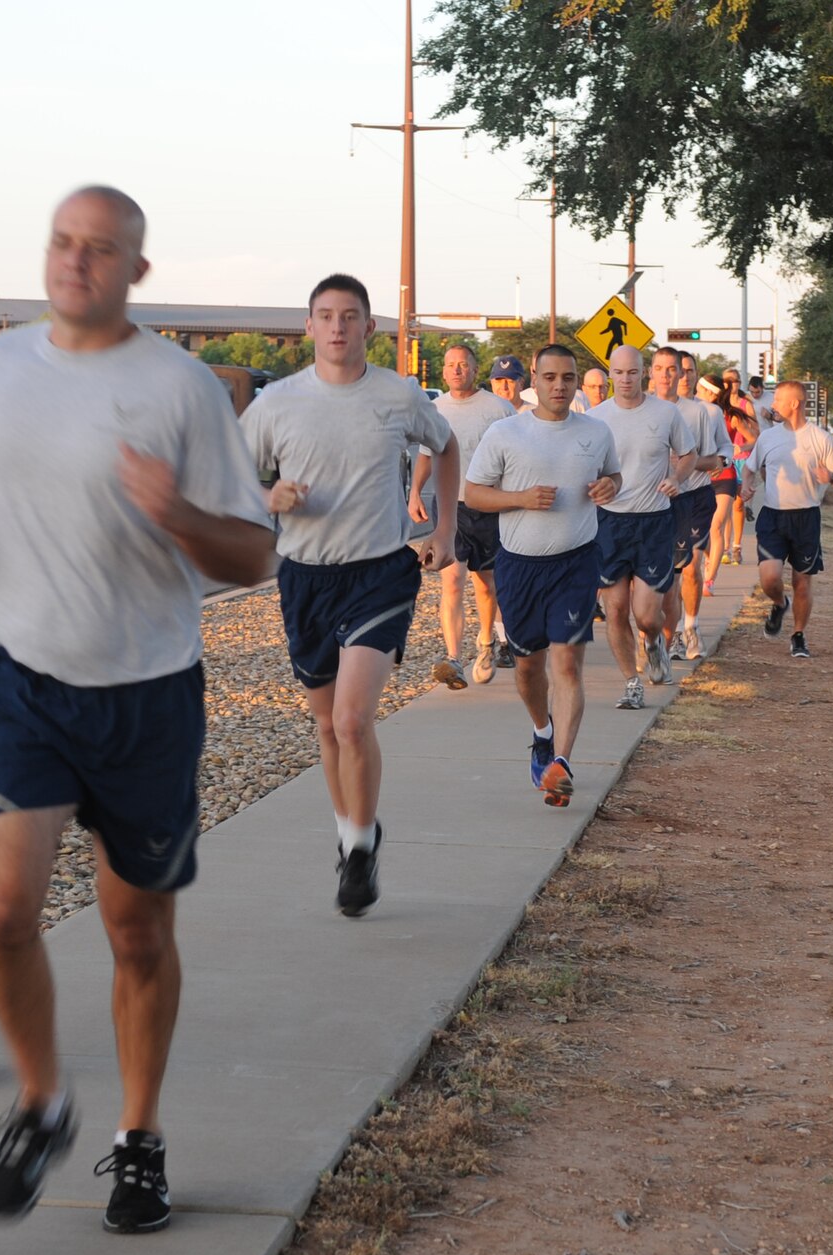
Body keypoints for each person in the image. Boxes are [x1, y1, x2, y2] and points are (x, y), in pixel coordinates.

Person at [0, 185, 275, 1233]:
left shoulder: (182, 388)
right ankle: (41, 1100)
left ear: (136, 272)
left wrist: (179, 515)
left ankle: (140, 1137)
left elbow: (252, 553)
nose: (75, 263)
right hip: (14, 678)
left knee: (135, 933)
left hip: (146, 692)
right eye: (63, 244)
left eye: (100, 250)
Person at [244, 273, 456, 918]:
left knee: (350, 719)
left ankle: (361, 852)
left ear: (369, 327)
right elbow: (223, 480)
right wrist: (266, 497)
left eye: (350, 316)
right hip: (305, 576)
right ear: (309, 327)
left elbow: (444, 448)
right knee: (325, 725)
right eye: (325, 315)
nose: (337, 327)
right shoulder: (277, 403)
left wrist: (444, 527)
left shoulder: (399, 395)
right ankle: (350, 832)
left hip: (379, 574)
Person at [461, 345, 620, 808]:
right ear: (535, 379)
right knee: (530, 667)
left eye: (568, 378)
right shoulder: (506, 432)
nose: (560, 386)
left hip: (575, 561)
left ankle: (562, 765)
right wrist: (521, 499)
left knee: (567, 662)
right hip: (520, 565)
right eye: (550, 377)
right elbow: (473, 494)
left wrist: (612, 485)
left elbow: (613, 476)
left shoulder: (596, 430)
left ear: (577, 382)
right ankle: (542, 733)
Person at [589, 345, 695, 708]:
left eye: (632, 372)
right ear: (609, 375)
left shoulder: (665, 414)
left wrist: (676, 477)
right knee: (615, 609)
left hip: (653, 521)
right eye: (618, 373)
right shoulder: (596, 416)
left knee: (647, 615)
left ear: (643, 373)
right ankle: (631, 683)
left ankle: (653, 642)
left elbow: (688, 453)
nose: (625, 379)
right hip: (609, 521)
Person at [413, 344, 515, 686]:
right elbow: (427, 455)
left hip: (486, 506)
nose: (457, 370)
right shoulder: (435, 409)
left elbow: (515, 459)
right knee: (452, 580)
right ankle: (453, 658)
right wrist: (415, 492)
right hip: (449, 508)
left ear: (475, 370)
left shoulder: (498, 409)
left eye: (463, 365)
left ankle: (487, 642)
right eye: (451, 365)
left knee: (486, 584)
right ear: (443, 372)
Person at [743, 380, 833, 660]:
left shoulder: (821, 438)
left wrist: (832, 478)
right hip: (773, 517)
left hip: (806, 518)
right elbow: (749, 467)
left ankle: (798, 636)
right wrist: (746, 487)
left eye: (777, 399)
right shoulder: (768, 437)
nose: (771, 404)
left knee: (802, 582)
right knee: (770, 578)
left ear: (795, 404)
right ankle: (779, 603)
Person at [657, 349, 728, 662]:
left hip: (695, 497)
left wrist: (694, 462)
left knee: (690, 566)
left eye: (687, 371)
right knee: (667, 575)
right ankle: (668, 636)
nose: (681, 377)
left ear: (694, 376)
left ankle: (691, 625)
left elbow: (714, 456)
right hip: (658, 500)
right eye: (674, 369)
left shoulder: (705, 413)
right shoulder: (646, 409)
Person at [698, 373, 754, 593]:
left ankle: (709, 579)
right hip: (700, 477)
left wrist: (739, 449)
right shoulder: (692, 413)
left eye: (701, 391)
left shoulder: (730, 415)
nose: (697, 394)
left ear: (711, 394)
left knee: (716, 525)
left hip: (725, 476)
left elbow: (753, 439)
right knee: (702, 529)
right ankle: (711, 557)